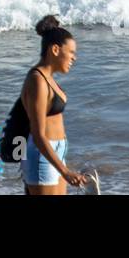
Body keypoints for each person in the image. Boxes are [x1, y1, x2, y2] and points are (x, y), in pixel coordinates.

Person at [20, 16, 92, 194]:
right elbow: (38, 135)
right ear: (55, 49)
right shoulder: (37, 80)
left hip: (53, 155)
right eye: (71, 52)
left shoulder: (48, 79)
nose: (74, 58)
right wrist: (65, 171)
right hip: (42, 155)